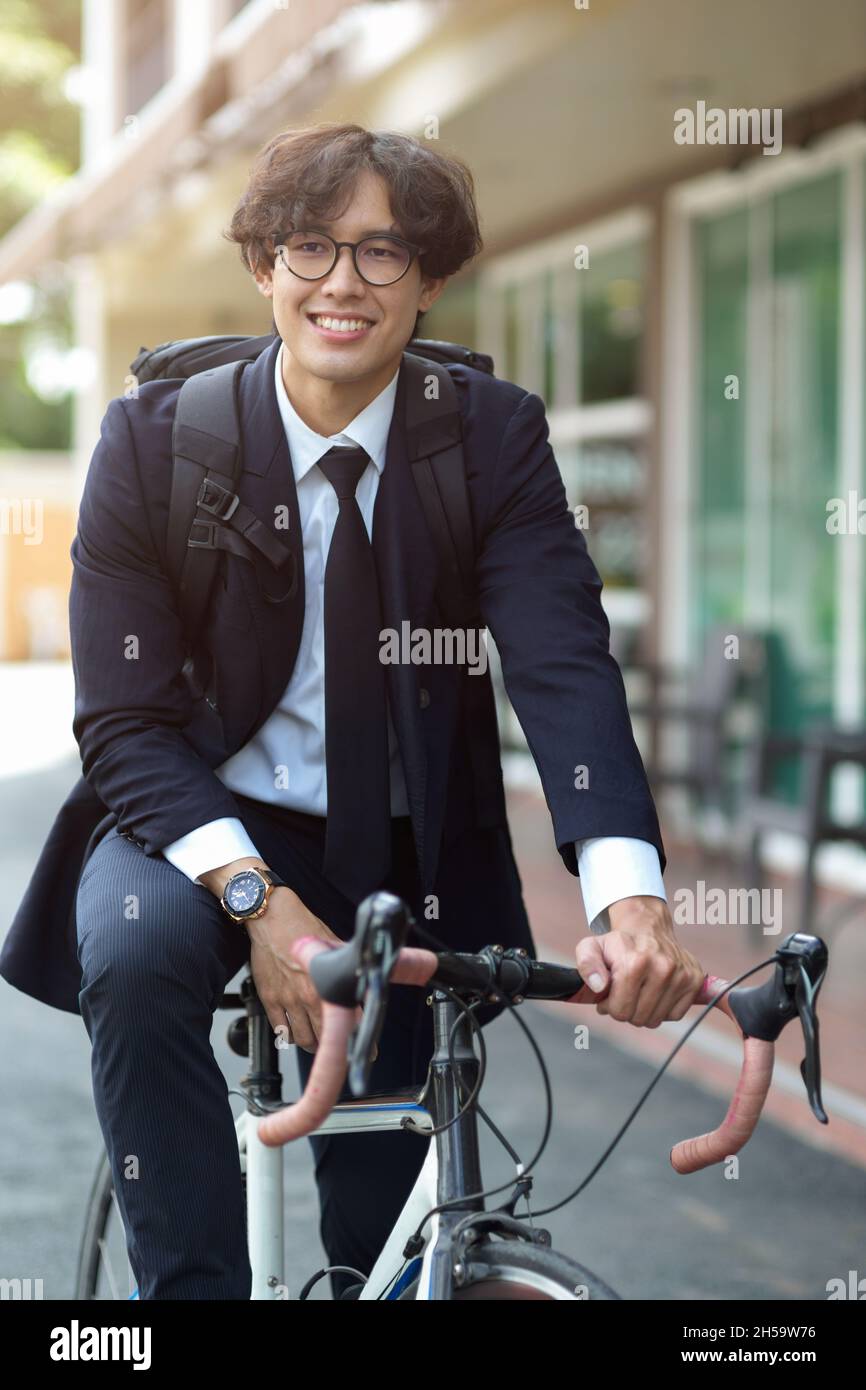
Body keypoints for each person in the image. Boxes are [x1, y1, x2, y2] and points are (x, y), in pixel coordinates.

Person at [0, 123, 702, 1300]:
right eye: (311, 245)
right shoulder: (155, 439)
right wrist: (258, 904)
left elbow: (562, 659)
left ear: (430, 282)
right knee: (132, 951)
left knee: (388, 1242)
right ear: (264, 264)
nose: (342, 282)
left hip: (410, 839)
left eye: (384, 253)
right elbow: (122, 718)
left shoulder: (490, 437)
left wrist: (628, 898)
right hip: (198, 823)